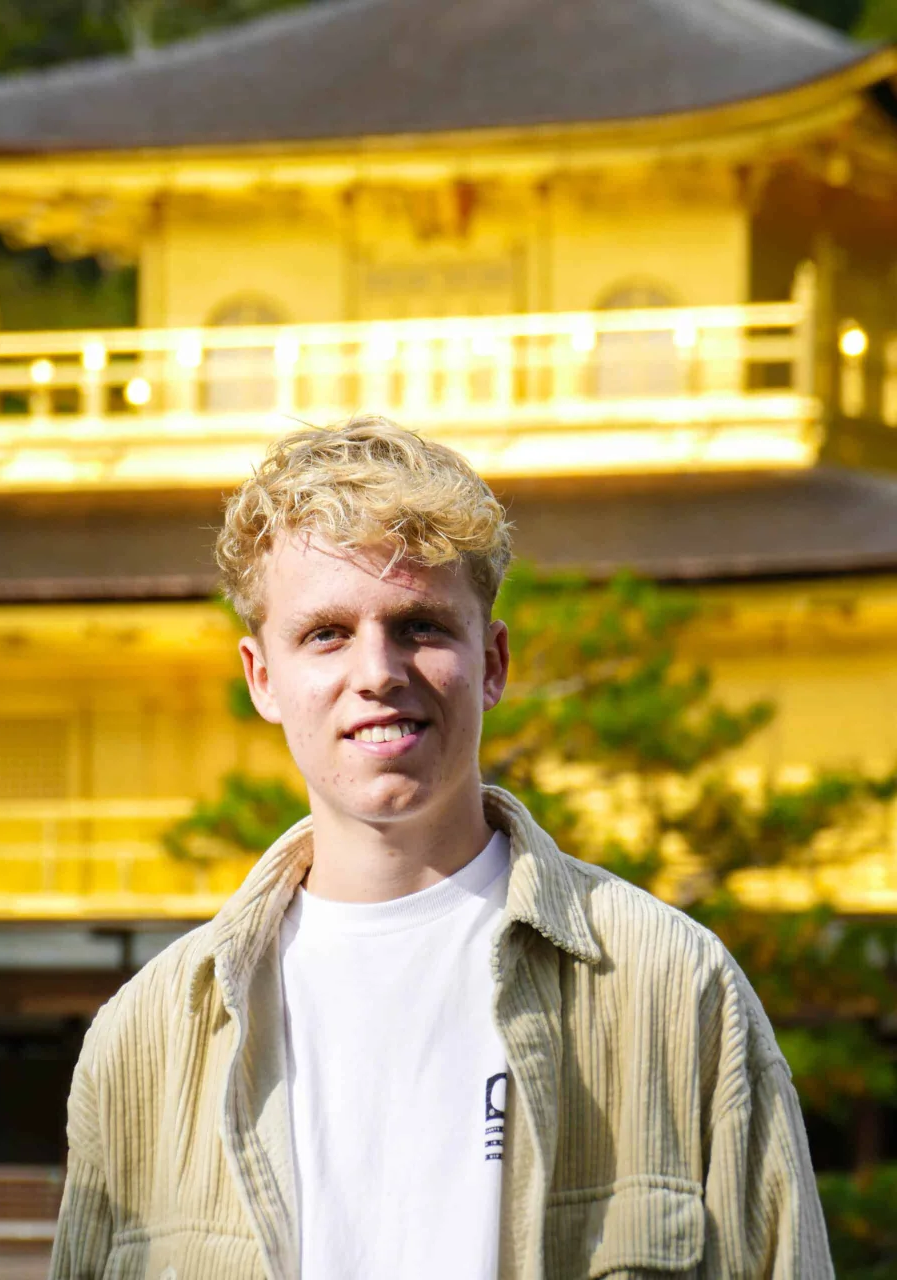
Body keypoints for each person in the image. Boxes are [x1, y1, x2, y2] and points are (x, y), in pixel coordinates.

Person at [49, 416, 832, 1280]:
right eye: (326, 633)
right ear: (262, 678)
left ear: (492, 662)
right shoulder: (146, 1043)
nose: (378, 673)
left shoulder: (674, 990)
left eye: (419, 625)